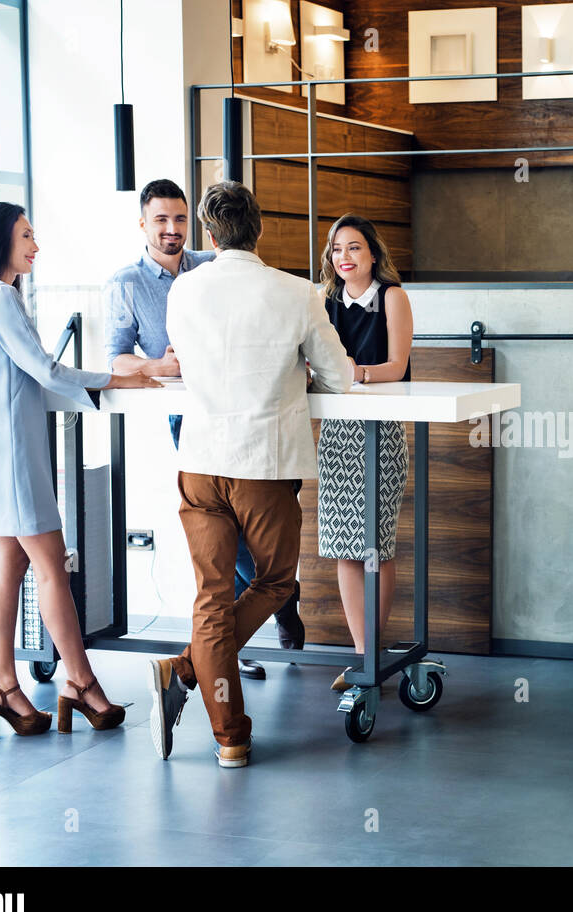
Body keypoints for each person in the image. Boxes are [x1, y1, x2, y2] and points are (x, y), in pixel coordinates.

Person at [147, 181, 352, 768]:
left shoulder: (184, 289)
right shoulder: (297, 292)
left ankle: (229, 735)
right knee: (275, 582)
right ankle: (186, 670)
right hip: (262, 464)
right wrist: (299, 375)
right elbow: (337, 378)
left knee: (212, 597)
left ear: (209, 234)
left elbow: (184, 364)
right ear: (259, 230)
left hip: (200, 461)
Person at [0, 201, 159, 740]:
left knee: (9, 567)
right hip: (16, 457)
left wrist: (106, 381)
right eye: (27, 236)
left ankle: (3, 688)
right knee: (50, 568)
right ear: (0, 241)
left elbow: (29, 376)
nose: (36, 246)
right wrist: (116, 379)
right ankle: (81, 684)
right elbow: (44, 368)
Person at [104, 177, 286, 680]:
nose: (171, 229)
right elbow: (116, 357)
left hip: (244, 408)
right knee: (221, 533)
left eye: (180, 219)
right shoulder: (125, 283)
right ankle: (258, 617)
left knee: (243, 525)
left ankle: (246, 622)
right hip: (190, 415)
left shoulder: (212, 265)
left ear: (197, 224)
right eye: (161, 220)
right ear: (142, 224)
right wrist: (159, 367)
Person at [315, 215, 414, 692]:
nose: (344, 258)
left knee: (376, 544)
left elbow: (399, 365)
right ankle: (361, 656)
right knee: (343, 545)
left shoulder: (392, 297)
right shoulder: (325, 300)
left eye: (354, 248)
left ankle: (373, 653)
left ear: (373, 253)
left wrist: (359, 373)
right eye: (337, 249)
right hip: (336, 435)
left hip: (379, 431)